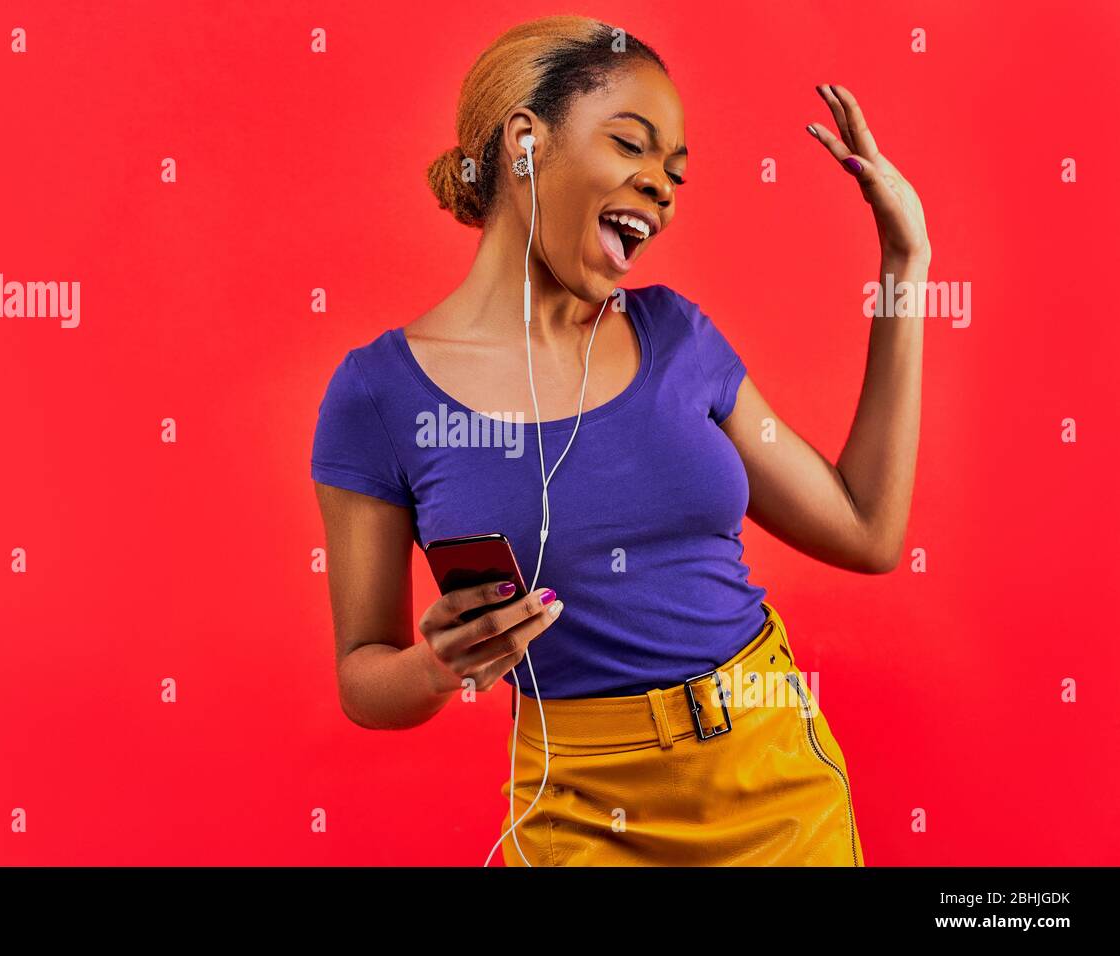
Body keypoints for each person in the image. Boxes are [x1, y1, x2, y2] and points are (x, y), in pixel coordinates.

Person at [311, 14, 929, 866]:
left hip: (777, 783)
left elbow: (866, 530)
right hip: (578, 806)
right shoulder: (378, 395)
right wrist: (433, 666)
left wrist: (905, 264)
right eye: (632, 147)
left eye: (675, 171)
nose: (663, 187)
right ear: (525, 143)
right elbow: (361, 677)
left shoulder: (677, 336)